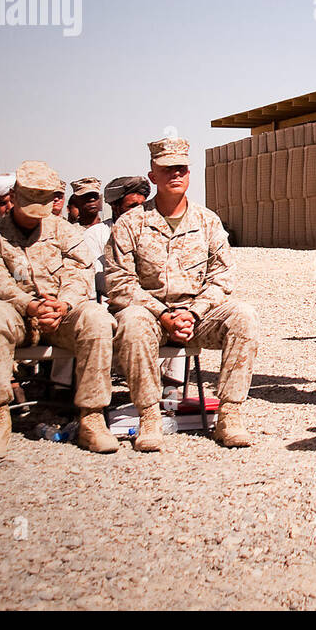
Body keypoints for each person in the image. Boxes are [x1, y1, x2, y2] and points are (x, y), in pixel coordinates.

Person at [105, 138, 260, 449]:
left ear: (189, 174)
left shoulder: (207, 221)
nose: (175, 175)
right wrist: (163, 314)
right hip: (150, 315)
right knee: (132, 322)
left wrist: (192, 313)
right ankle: (149, 416)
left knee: (244, 315)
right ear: (153, 176)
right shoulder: (131, 223)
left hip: (195, 317)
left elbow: (221, 277)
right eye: (167, 169)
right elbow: (119, 282)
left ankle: (229, 414)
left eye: (181, 169)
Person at [0, 161, 118, 457]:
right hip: (19, 317)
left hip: (60, 315)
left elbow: (80, 272)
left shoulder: (65, 232)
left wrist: (63, 304)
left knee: (97, 318)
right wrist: (32, 306)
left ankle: (91, 418)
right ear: (14, 195)